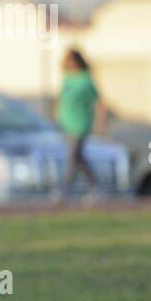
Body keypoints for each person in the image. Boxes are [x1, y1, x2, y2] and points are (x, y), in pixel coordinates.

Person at [57, 48, 106, 200]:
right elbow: (62, 98)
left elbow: (98, 101)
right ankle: (95, 187)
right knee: (79, 157)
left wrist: (100, 122)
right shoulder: (66, 77)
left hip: (81, 123)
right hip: (67, 123)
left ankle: (65, 190)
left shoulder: (86, 80)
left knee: (72, 156)